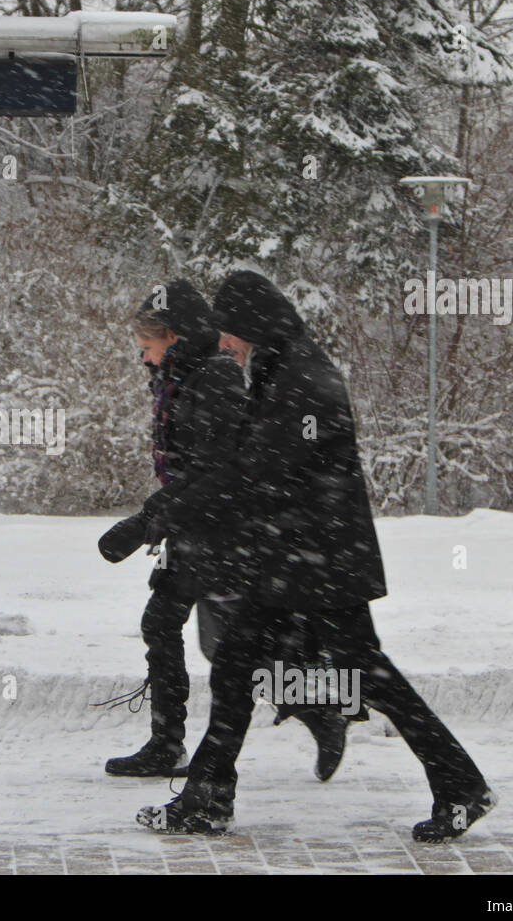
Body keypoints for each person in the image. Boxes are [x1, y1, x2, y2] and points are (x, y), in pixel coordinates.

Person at [128, 270, 496, 842]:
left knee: (369, 676)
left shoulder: (304, 379)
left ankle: (461, 786)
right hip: (296, 558)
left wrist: (159, 516)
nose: (224, 342)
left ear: (252, 324)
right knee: (236, 669)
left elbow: (256, 473)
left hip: (317, 563)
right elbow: (255, 470)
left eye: (230, 331)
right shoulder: (283, 368)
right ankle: (207, 797)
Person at [98, 280, 359, 781]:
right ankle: (171, 744)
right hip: (192, 523)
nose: (145, 359)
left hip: (221, 531)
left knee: (235, 646)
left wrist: (144, 521)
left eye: (147, 347)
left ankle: (305, 714)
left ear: (172, 337)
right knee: (183, 630)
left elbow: (214, 470)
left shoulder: (213, 379)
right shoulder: (182, 376)